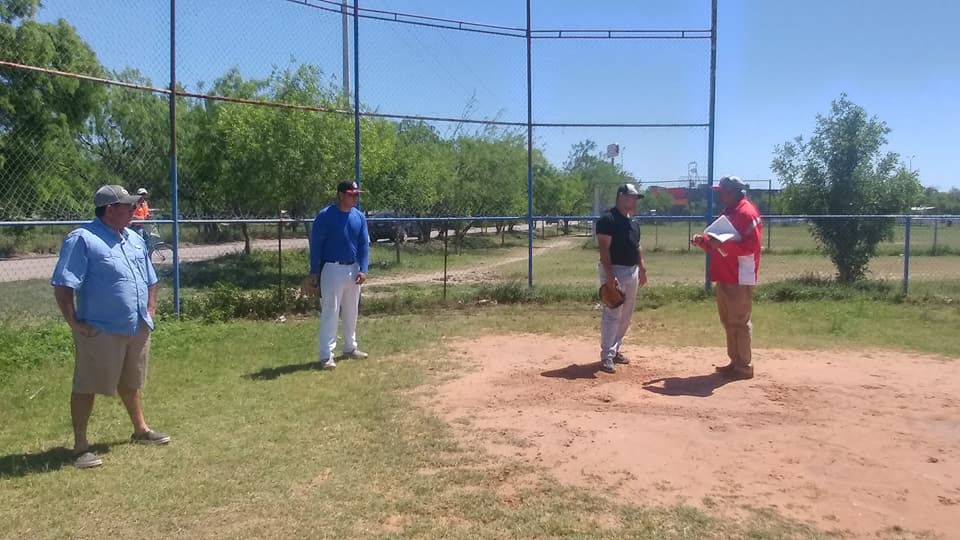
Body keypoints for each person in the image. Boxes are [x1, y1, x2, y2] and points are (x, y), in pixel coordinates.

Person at [50, 185, 170, 469]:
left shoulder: (134, 239)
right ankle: (81, 447)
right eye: (128, 207)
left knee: (131, 381)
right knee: (87, 384)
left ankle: (141, 430)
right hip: (100, 328)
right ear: (109, 209)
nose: (134, 211)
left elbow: (151, 279)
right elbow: (64, 285)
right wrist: (74, 322)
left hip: (137, 326)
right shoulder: (83, 239)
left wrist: (150, 310)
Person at [691, 175, 763, 380]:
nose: (720, 194)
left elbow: (751, 246)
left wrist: (720, 244)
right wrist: (703, 242)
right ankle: (735, 362)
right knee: (728, 321)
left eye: (723, 190)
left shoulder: (746, 213)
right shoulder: (730, 211)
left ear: (732, 191)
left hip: (740, 275)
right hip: (725, 273)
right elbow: (718, 241)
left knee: (739, 321)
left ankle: (744, 366)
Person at [308, 180, 371, 370]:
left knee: (352, 311)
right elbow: (316, 245)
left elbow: (363, 245)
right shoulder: (325, 216)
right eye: (351, 194)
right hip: (332, 268)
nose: (355, 197)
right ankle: (327, 355)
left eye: (357, 194)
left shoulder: (359, 217)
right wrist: (314, 272)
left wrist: (364, 269)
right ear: (341, 195)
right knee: (331, 312)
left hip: (353, 269)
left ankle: (350, 347)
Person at [596, 182, 648, 374]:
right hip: (614, 269)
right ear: (620, 196)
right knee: (612, 313)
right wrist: (609, 276)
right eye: (631, 197)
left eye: (635, 198)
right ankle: (606, 356)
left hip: (631, 270)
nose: (634, 201)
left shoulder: (633, 222)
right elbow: (604, 250)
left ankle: (616, 349)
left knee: (626, 315)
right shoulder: (607, 220)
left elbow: (637, 246)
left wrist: (642, 267)